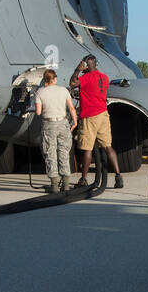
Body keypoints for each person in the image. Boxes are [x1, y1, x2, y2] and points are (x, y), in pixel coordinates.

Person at [74, 54, 123, 188]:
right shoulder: (104, 77)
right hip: (103, 114)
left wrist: (77, 70)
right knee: (108, 146)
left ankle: (83, 180)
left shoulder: (85, 77)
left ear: (86, 65)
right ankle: (118, 177)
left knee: (87, 148)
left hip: (90, 116)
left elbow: (72, 83)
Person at [33, 68, 77, 193]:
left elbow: (38, 112)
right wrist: (75, 121)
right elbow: (71, 108)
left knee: (50, 153)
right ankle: (66, 184)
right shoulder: (63, 90)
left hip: (48, 124)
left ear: (45, 79)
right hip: (63, 123)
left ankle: (54, 185)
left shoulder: (40, 92)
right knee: (63, 152)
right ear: (55, 78)